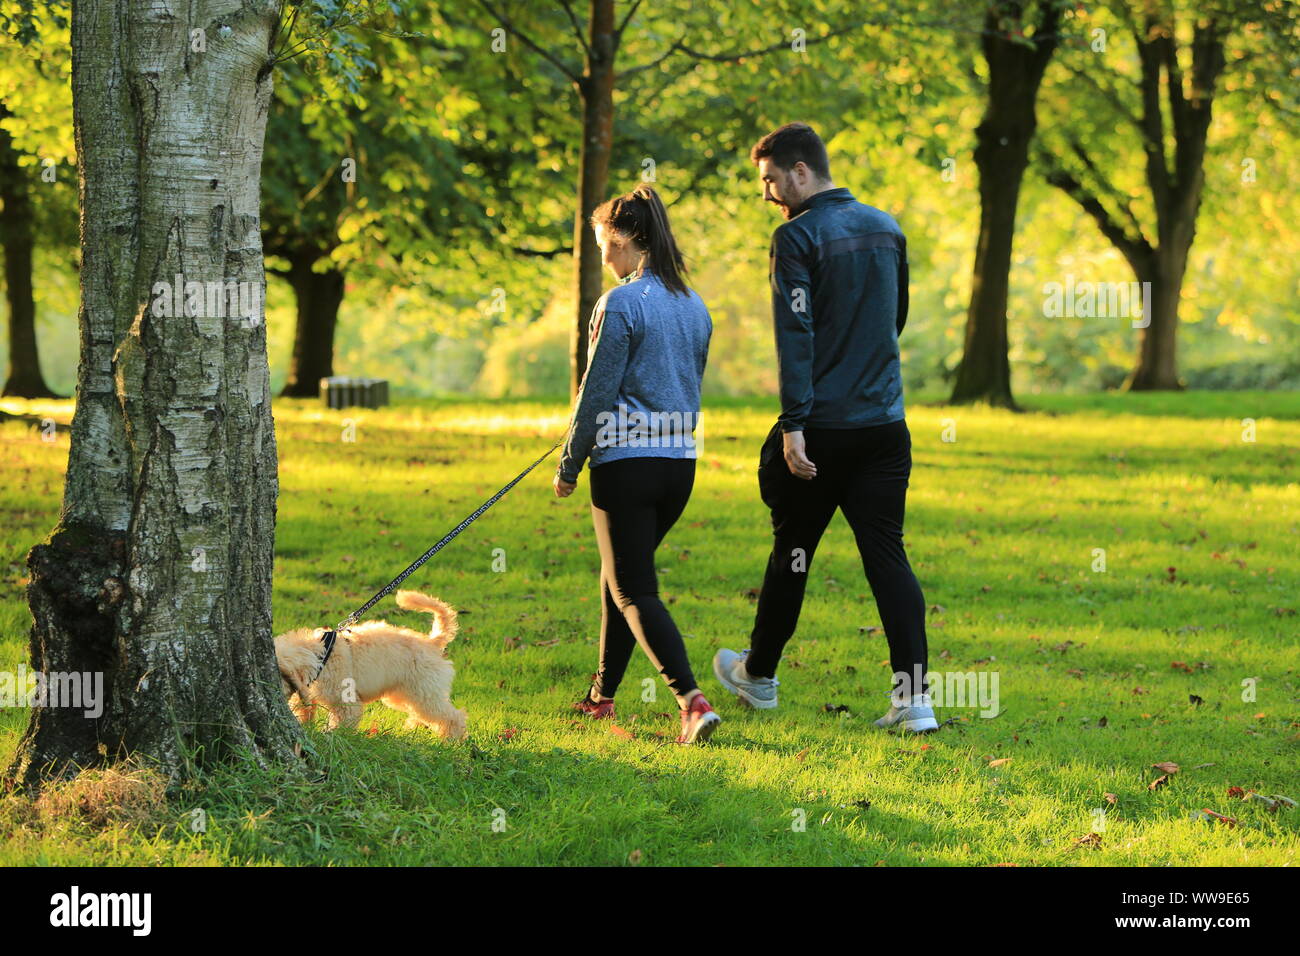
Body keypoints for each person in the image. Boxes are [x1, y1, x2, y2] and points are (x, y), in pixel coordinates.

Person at [713, 123, 937, 733]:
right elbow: (896, 318)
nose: (767, 195)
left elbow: (796, 336)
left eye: (769, 181)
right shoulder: (888, 228)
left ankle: (758, 676)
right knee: (888, 557)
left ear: (800, 171)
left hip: (822, 431)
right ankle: (914, 701)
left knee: (793, 552)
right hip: (886, 425)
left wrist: (793, 426)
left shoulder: (797, 237)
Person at [553, 184, 720, 745]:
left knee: (634, 590)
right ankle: (601, 698)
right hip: (678, 468)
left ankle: (691, 702)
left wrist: (570, 462)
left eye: (605, 246)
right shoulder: (694, 305)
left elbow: (596, 392)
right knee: (619, 578)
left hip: (626, 466)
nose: (604, 257)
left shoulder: (621, 303)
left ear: (626, 241)